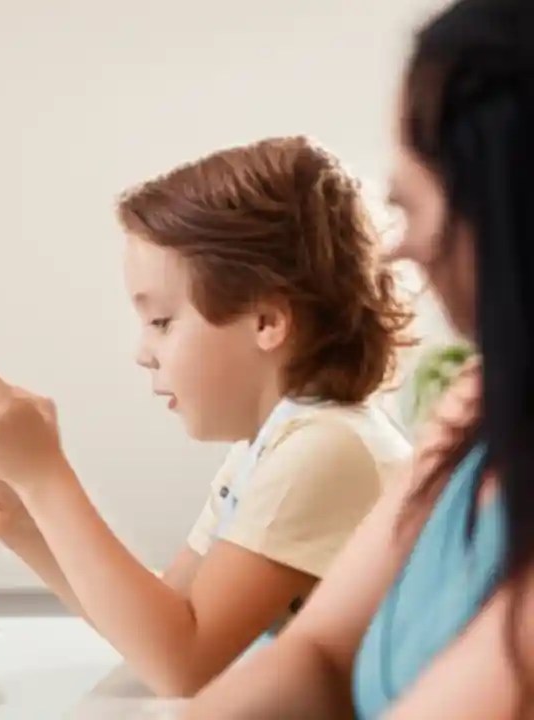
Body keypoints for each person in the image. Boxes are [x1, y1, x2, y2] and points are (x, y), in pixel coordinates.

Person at [0, 136, 414, 696]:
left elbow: (181, 663)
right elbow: (159, 620)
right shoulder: (272, 444)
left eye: (161, 322)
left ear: (266, 322)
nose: (143, 351)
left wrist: (46, 478)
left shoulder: (326, 447)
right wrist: (24, 524)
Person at [188, 0, 534, 717]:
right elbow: (314, 656)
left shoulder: (324, 444)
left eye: (412, 208)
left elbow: (181, 648)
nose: (399, 246)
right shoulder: (479, 399)